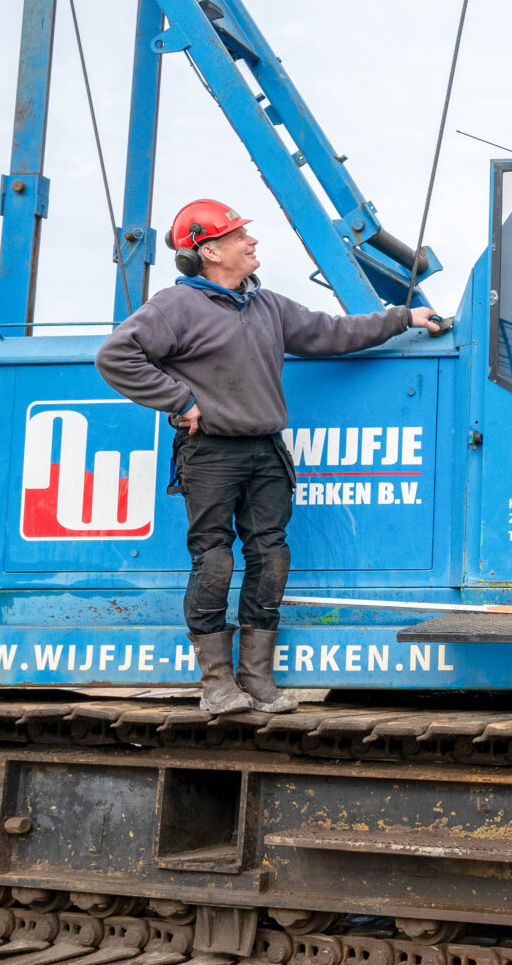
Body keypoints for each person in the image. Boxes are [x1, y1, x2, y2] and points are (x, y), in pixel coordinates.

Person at [95, 199, 436, 713]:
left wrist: (403, 316)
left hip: (265, 450)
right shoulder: (175, 306)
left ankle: (257, 679)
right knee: (213, 558)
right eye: (238, 237)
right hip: (209, 452)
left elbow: (333, 332)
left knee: (271, 556)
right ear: (208, 251)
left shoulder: (267, 305)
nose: (250, 242)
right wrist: (181, 401)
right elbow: (116, 356)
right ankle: (216, 684)